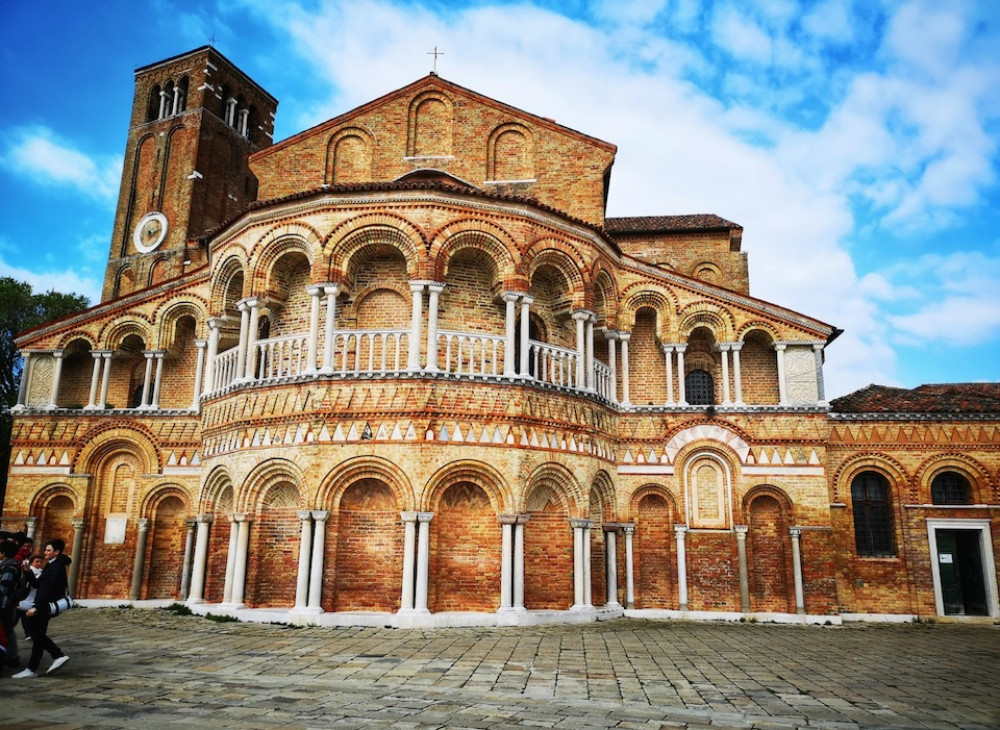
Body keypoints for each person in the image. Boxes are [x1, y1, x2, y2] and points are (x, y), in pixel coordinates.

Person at [12, 539, 71, 678]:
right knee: (38, 637)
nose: (45, 552)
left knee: (36, 634)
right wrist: (27, 572)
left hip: (44, 605)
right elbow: (38, 584)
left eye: (48, 550)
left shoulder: (57, 567)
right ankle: (32, 668)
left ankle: (57, 655)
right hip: (43, 604)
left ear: (56, 552)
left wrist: (36, 607)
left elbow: (49, 589)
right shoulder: (51, 564)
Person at [0, 540, 23, 669]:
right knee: (8, 631)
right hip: (8, 603)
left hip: (5, 604)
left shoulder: (10, 567)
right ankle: (11, 657)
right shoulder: (10, 565)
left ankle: (11, 658)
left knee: (7, 631)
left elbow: (4, 589)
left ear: (3, 553)